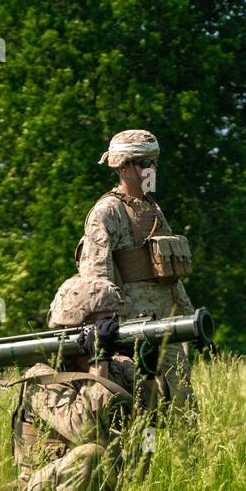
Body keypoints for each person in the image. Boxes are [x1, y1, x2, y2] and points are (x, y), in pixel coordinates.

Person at [11, 275, 135, 491]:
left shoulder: (119, 368)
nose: (112, 330)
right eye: (104, 323)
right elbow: (84, 428)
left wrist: (151, 370)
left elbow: (159, 418)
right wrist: (98, 364)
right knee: (88, 454)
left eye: (114, 321)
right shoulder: (42, 377)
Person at [75, 129, 195, 407]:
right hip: (129, 331)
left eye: (154, 162)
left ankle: (179, 453)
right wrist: (106, 328)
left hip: (165, 325)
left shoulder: (153, 208)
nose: (152, 169)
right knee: (139, 409)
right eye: (144, 162)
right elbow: (95, 276)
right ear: (123, 166)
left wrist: (187, 316)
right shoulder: (107, 212)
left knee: (181, 408)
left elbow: (167, 272)